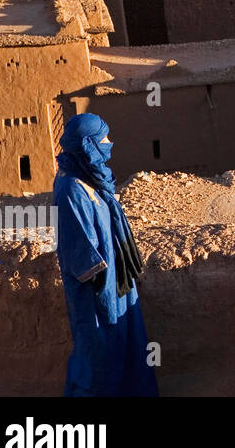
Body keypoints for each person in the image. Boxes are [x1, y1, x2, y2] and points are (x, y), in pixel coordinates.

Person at [53, 113, 158, 397]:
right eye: (103, 139)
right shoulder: (71, 188)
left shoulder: (89, 177)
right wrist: (102, 284)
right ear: (88, 145)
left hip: (116, 280)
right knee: (97, 356)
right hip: (96, 291)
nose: (109, 143)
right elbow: (77, 249)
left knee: (123, 344)